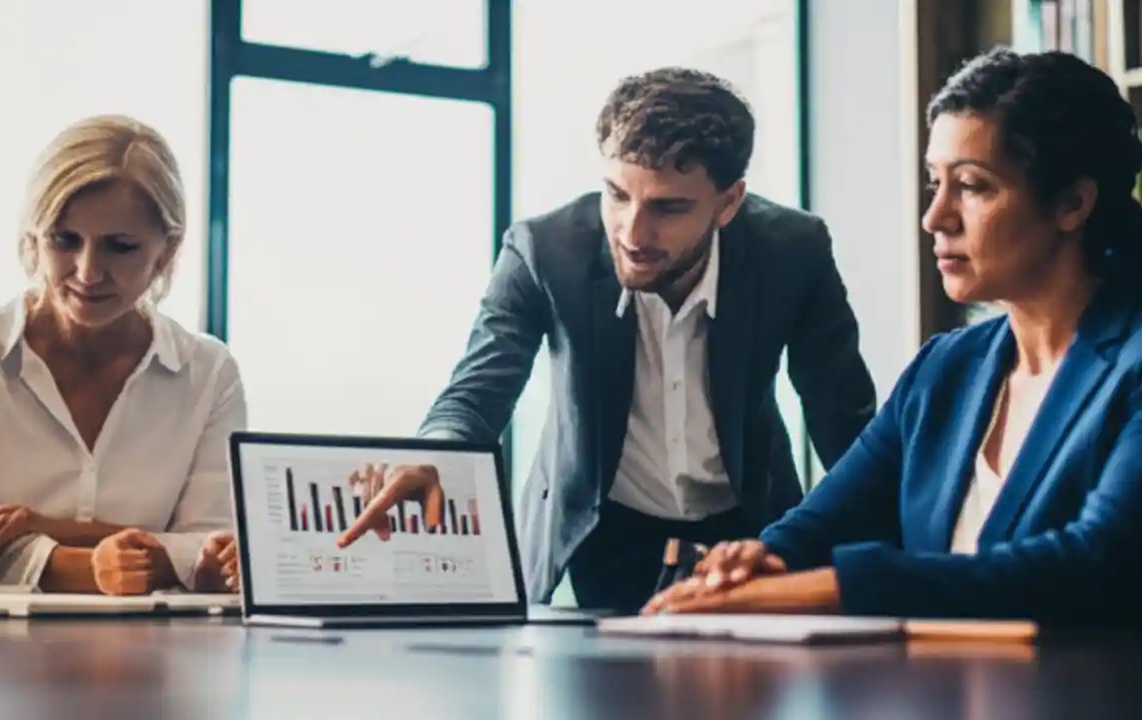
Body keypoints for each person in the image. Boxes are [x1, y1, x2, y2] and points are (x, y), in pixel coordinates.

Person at [644, 48, 1142, 625]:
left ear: (1072, 203)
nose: (934, 217)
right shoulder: (946, 368)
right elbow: (819, 526)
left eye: (972, 186)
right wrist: (759, 561)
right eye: (934, 182)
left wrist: (832, 588)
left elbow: (1097, 565)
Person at [336, 67, 876, 611]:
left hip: (748, 534)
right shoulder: (544, 252)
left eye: (668, 207)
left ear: (728, 202)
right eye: (617, 194)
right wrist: (435, 454)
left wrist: (894, 556)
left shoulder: (793, 251)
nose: (632, 232)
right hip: (603, 533)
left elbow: (845, 422)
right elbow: (478, 391)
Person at [0, 115, 245, 601]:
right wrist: (96, 567)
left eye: (120, 247)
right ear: (34, 238)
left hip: (156, 659)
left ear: (167, 251)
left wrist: (46, 529)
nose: (88, 271)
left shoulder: (209, 373)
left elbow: (213, 552)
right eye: (65, 240)